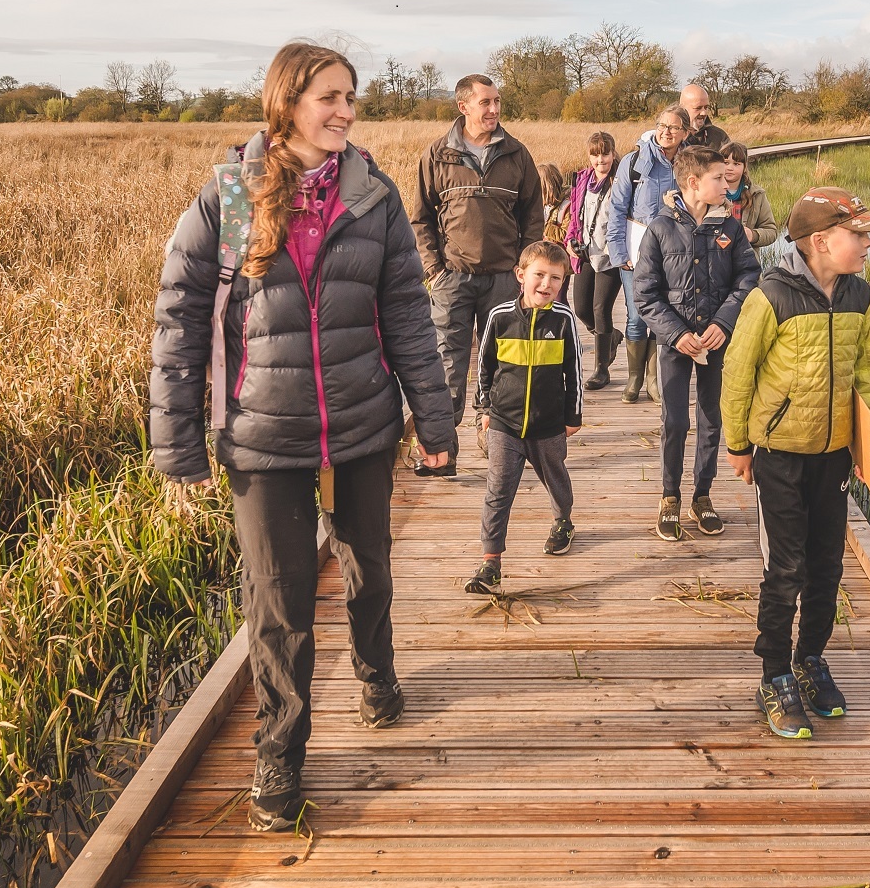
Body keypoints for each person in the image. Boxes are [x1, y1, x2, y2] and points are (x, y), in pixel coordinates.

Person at [151, 41, 455, 830]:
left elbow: (408, 315)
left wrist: (435, 418)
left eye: (351, 97)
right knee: (278, 603)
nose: (346, 111)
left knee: (371, 565)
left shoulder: (373, 194)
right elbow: (181, 324)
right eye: (330, 97)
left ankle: (377, 674)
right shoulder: (228, 196)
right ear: (287, 101)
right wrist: (178, 442)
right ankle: (281, 760)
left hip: (360, 418)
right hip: (262, 433)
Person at [721, 186, 870, 741]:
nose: (868, 243)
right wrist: (739, 444)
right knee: (786, 569)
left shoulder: (860, 297)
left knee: (827, 568)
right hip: (780, 455)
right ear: (821, 241)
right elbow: (738, 373)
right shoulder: (770, 296)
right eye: (858, 234)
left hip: (834, 457)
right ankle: (773, 673)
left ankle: (811, 659)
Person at [410, 73, 544, 476]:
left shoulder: (517, 154)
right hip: (453, 278)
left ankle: (496, 441)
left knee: (504, 363)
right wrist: (433, 270)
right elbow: (419, 219)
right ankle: (443, 452)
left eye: (497, 101)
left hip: (505, 278)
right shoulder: (437, 156)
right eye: (485, 102)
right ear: (463, 106)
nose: (494, 109)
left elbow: (532, 217)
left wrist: (524, 269)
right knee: (448, 364)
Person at [634, 146, 759, 542]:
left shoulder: (732, 228)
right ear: (693, 183)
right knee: (675, 421)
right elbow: (645, 293)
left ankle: (701, 496)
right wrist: (676, 333)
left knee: (711, 421)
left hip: (718, 342)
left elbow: (748, 279)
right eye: (719, 178)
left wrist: (724, 322)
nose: (727, 183)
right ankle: (669, 497)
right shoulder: (659, 228)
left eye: (727, 177)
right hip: (675, 343)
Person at [468, 240, 582, 589]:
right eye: (539, 275)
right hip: (505, 419)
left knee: (554, 476)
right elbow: (484, 366)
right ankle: (491, 562)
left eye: (556, 279)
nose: (546, 285)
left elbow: (574, 371)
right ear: (521, 275)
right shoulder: (499, 317)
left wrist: (572, 416)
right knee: (498, 487)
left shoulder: (564, 320)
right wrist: (484, 410)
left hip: (548, 423)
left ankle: (563, 520)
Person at [607, 107, 692, 404]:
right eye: (661, 125)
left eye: (674, 127)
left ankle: (655, 381)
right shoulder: (633, 162)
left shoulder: (690, 163)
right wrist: (619, 252)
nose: (666, 131)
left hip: (673, 253)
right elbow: (616, 210)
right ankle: (634, 379)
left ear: (685, 132)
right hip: (635, 252)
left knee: (662, 315)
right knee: (635, 316)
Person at [565, 131, 623, 390]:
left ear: (613, 153)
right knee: (581, 309)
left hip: (611, 255)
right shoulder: (582, 179)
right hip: (586, 252)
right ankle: (610, 338)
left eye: (605, 154)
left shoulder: (621, 181)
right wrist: (570, 241)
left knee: (601, 309)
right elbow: (575, 217)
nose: (600, 160)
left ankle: (601, 369)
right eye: (595, 154)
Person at [719, 141, 778, 249]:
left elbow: (771, 231)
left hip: (746, 261)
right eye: (725, 162)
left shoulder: (757, 195)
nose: (730, 168)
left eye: (736, 164)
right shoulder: (710, 193)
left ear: (745, 167)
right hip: (717, 261)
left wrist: (752, 235)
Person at [681, 82, 729, 151]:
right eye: (698, 108)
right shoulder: (670, 135)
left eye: (706, 107)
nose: (704, 113)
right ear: (682, 108)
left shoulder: (719, 137)